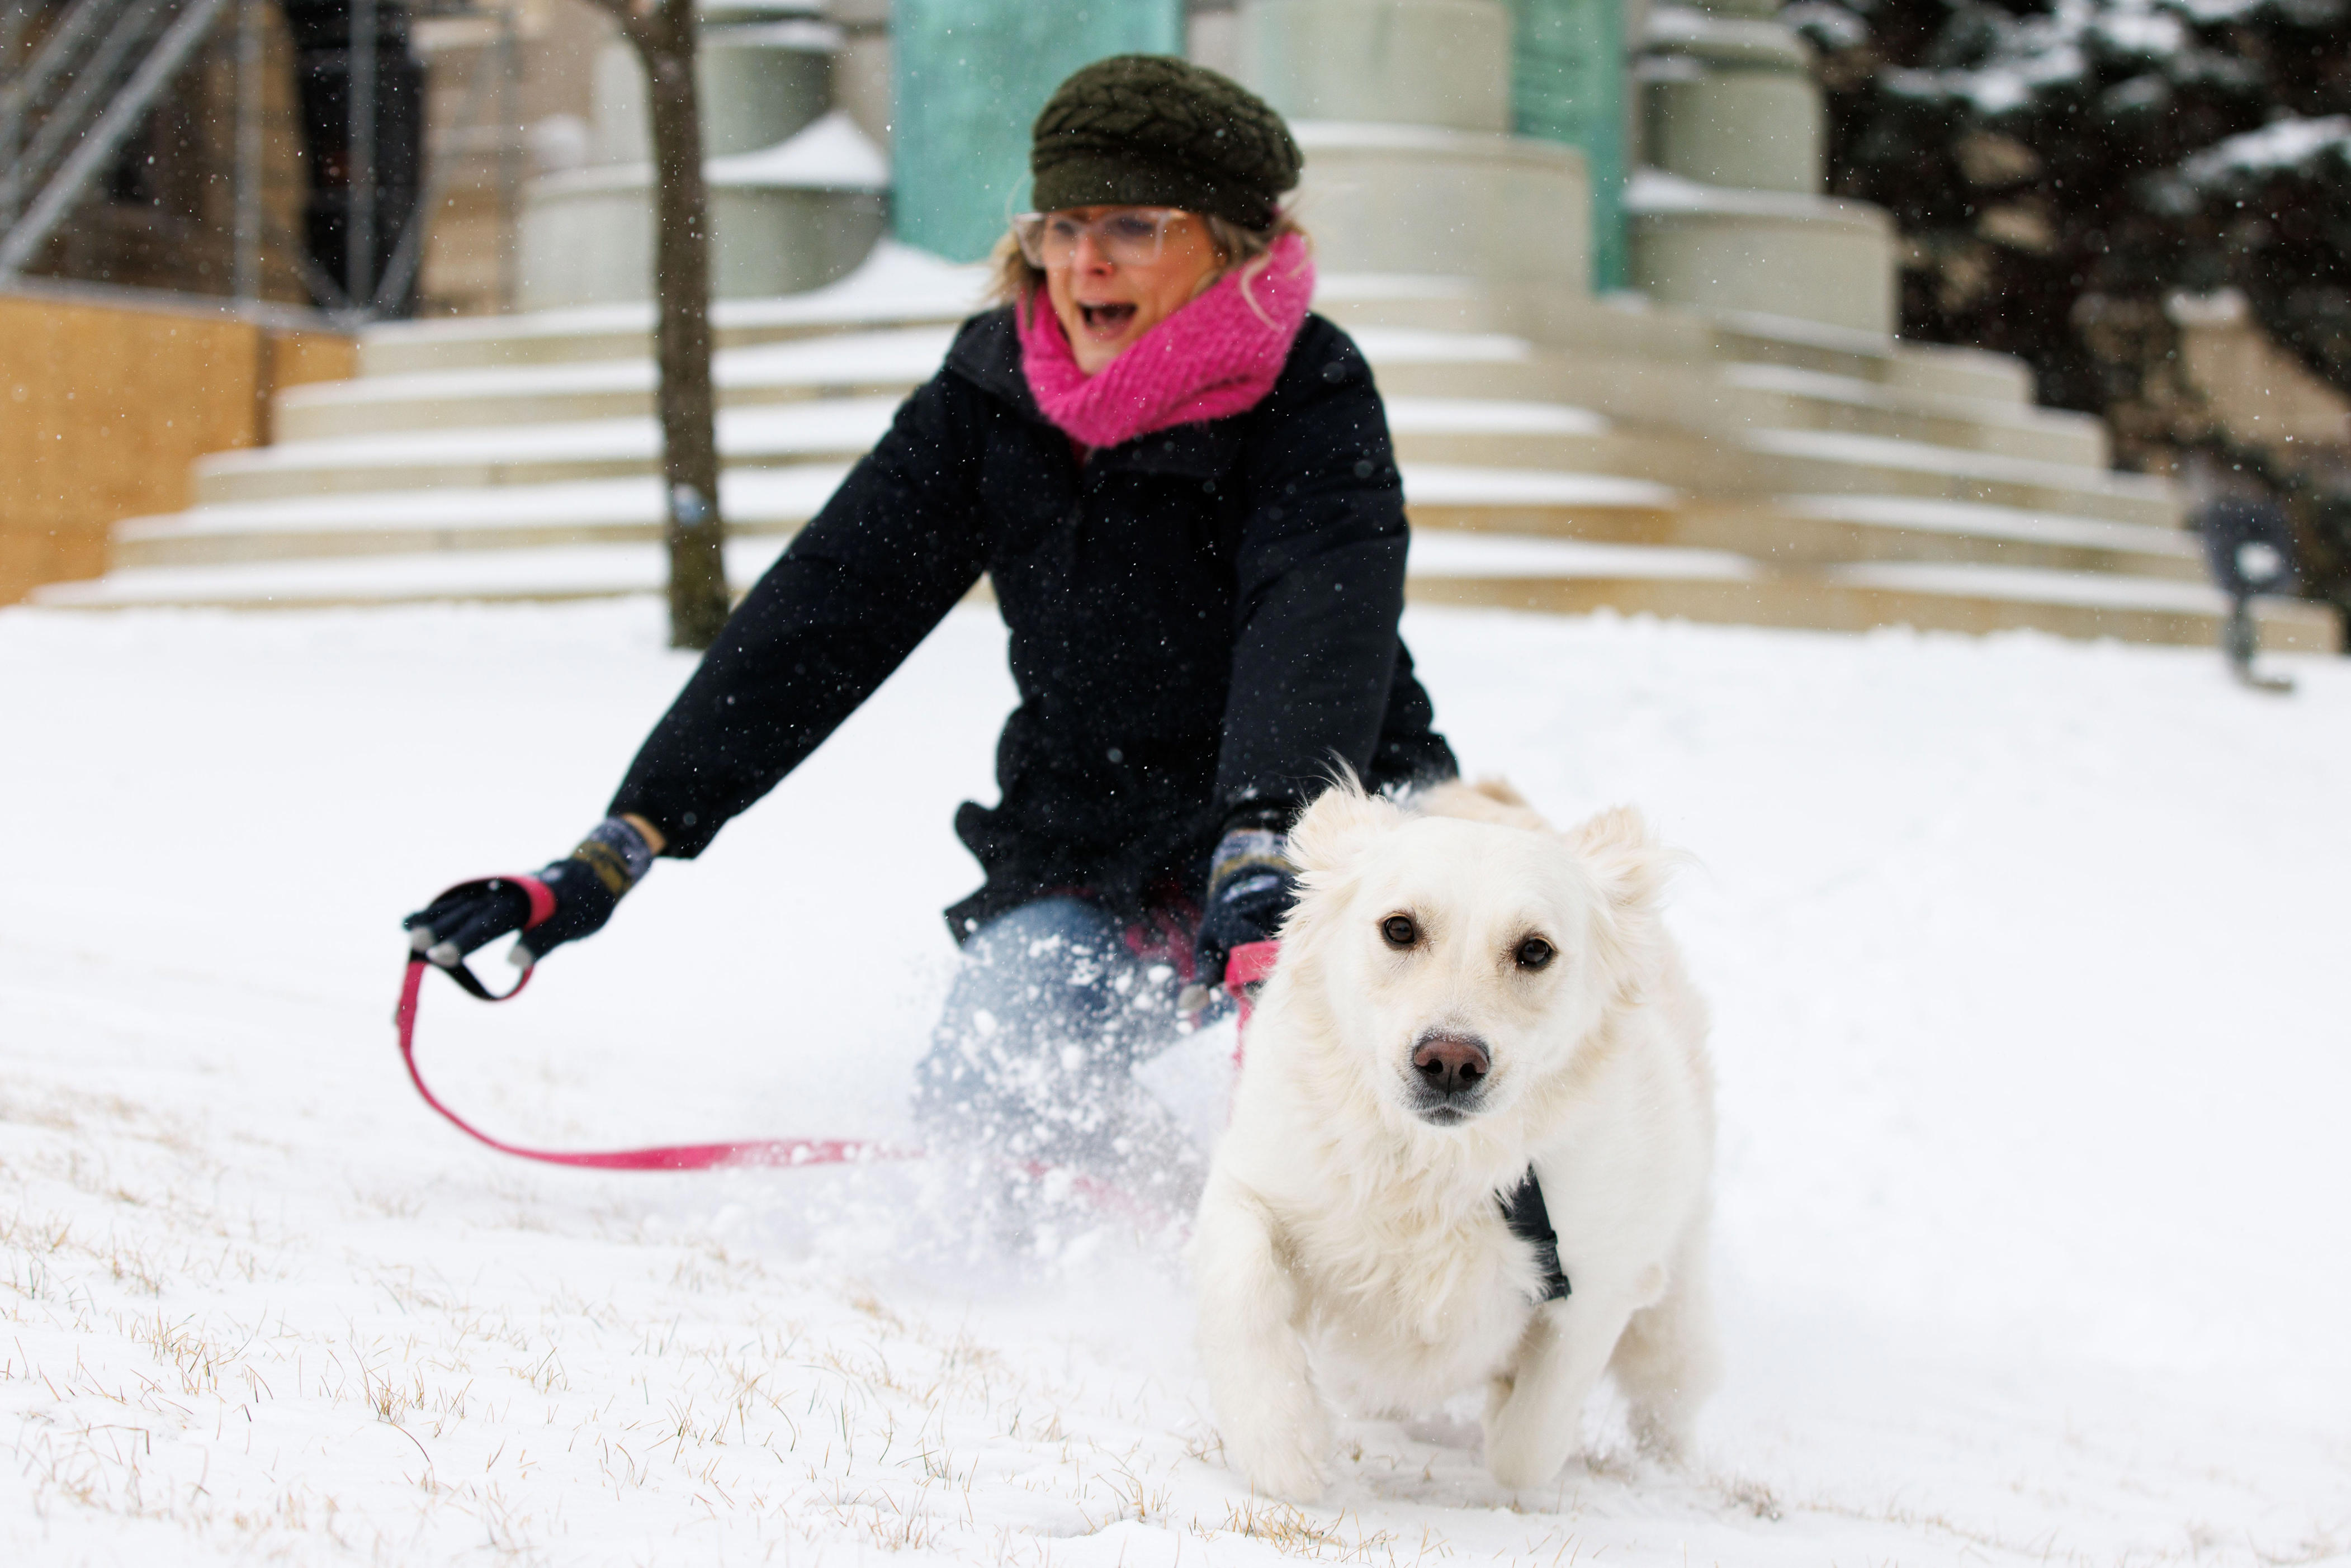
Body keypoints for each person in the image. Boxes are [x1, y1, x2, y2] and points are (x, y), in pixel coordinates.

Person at [403, 55, 1458, 1212]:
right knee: (994, 1085)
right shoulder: (992, 394)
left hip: (1331, 823)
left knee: (1388, 1121)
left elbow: (1317, 609)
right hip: (1093, 841)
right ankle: (1165, 1250)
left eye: (1131, 225)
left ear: (1234, 240)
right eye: (1060, 225)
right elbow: (826, 609)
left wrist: (1271, 831)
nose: (1084, 262)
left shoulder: (1309, 385)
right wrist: (629, 835)